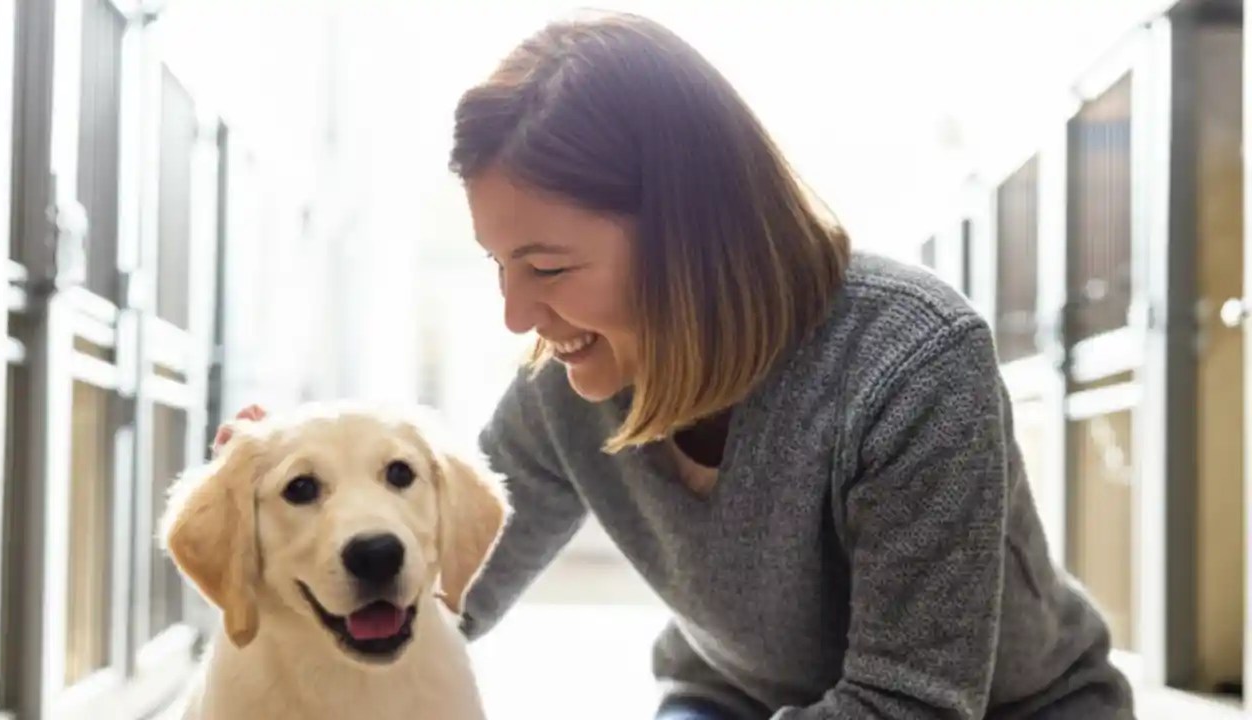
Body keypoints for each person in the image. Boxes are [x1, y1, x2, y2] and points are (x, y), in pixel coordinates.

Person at [217, 10, 1135, 720]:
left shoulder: (914, 363)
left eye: (547, 267)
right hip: (726, 699)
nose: (516, 313)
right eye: (501, 265)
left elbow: (911, 701)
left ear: (694, 237)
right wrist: (287, 519)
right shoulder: (560, 389)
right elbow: (439, 592)